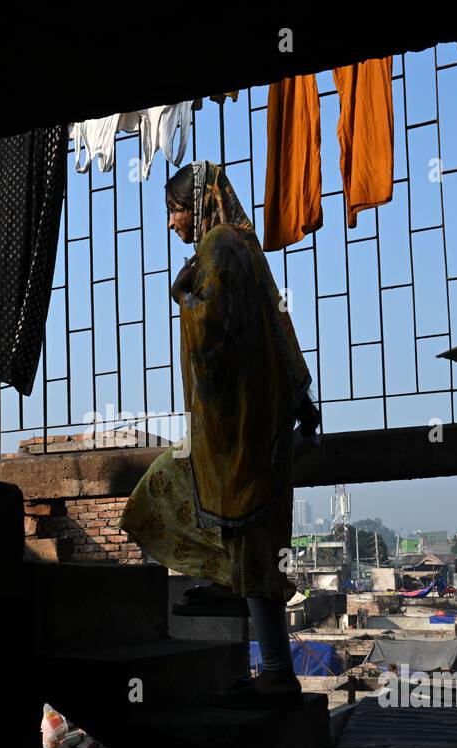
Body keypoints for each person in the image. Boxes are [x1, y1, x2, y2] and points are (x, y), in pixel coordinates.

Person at [119, 160, 320, 708]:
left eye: (174, 210)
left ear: (199, 204)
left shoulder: (218, 251)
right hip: (257, 428)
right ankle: (245, 612)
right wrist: (299, 396)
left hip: (239, 437)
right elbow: (279, 322)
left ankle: (276, 672)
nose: (171, 223)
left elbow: (211, 331)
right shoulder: (244, 246)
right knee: (251, 547)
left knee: (183, 509)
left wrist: (184, 289)